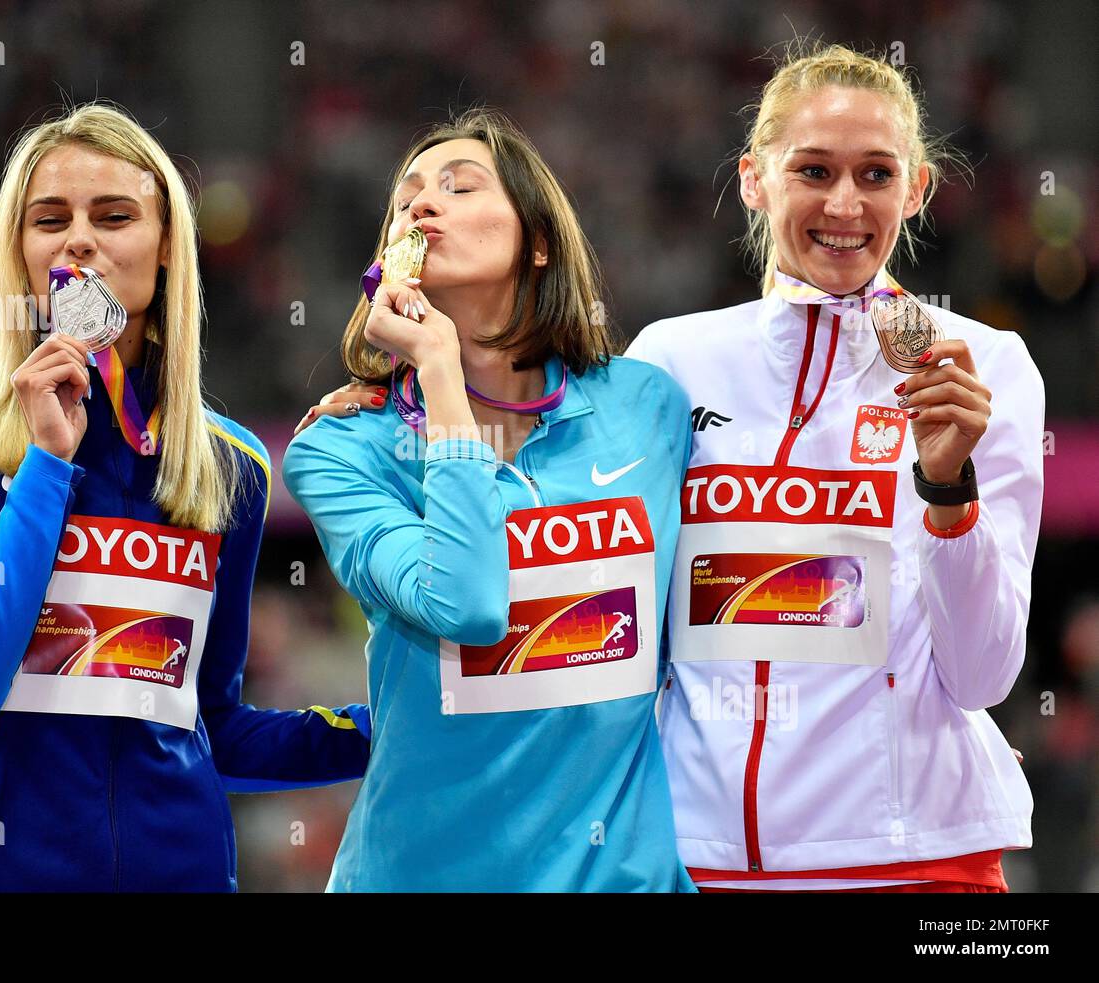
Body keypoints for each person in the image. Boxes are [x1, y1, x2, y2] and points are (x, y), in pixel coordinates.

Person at [304, 44, 1043, 893]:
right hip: (701, 858)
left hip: (919, 855)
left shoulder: (982, 367)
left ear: (915, 190)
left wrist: (949, 494)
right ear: (754, 180)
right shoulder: (668, 369)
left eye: (876, 175)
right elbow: (570, 568)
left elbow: (984, 671)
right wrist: (398, 391)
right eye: (813, 169)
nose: (844, 202)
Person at [0, 103, 369, 892]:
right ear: (20, 252)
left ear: (167, 245)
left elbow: (218, 729)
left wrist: (394, 731)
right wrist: (43, 463)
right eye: (49, 219)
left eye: (114, 215)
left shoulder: (226, 463)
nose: (79, 239)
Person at [281, 109, 695, 892]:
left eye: (459, 185)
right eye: (405, 199)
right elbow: (468, 604)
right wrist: (439, 372)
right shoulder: (340, 450)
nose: (420, 205)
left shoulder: (648, 407)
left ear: (538, 241)